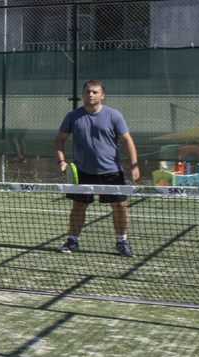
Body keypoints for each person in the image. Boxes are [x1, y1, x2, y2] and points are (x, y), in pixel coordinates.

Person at [54, 80, 140, 258]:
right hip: (82, 171)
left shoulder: (113, 115)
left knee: (120, 207)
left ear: (102, 95)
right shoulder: (73, 116)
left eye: (94, 92)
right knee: (78, 207)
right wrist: (61, 161)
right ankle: (72, 241)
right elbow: (59, 140)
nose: (90, 95)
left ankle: (122, 242)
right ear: (83, 94)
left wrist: (134, 165)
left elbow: (127, 140)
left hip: (111, 171)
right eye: (87, 92)